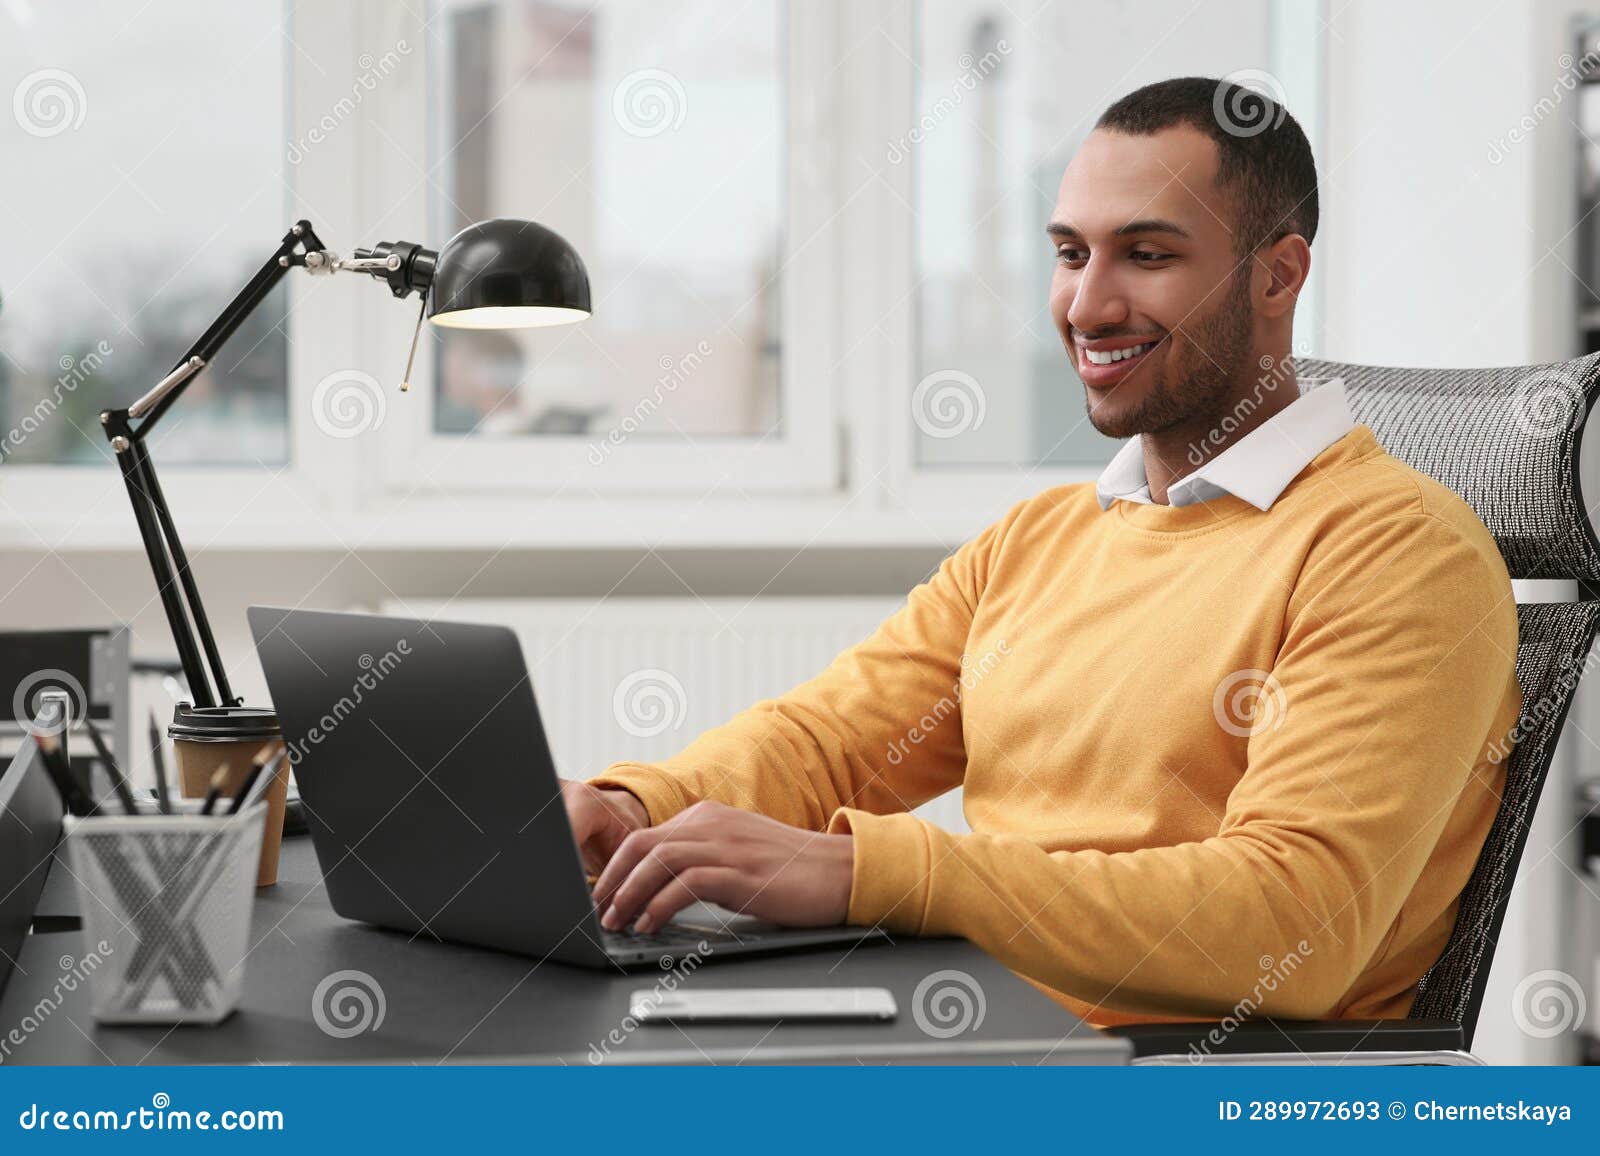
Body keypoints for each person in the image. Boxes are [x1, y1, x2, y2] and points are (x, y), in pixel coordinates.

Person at [566, 76, 1523, 1029]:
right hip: (971, 1034)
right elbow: (828, 746)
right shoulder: (1039, 538)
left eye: (1147, 255)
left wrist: (876, 873)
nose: (1088, 306)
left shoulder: (1402, 554)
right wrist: (638, 809)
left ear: (1277, 276)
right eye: (1071, 254)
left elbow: (1289, 926)